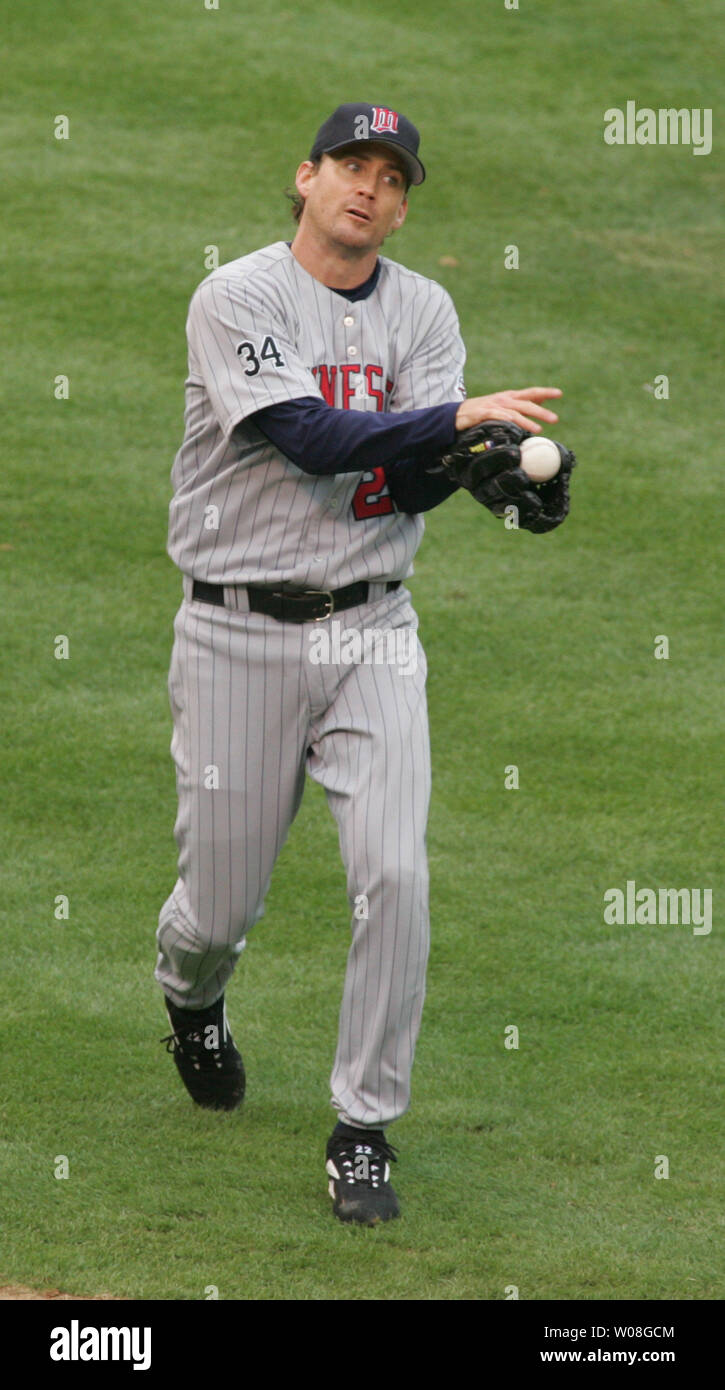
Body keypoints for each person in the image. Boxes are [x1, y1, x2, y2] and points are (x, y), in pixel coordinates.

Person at [156, 102, 563, 1225]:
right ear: (305, 177)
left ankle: (363, 1128)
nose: (369, 188)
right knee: (216, 909)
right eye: (350, 165)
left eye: (391, 175)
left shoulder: (423, 309)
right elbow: (314, 440)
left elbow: (407, 472)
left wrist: (484, 473)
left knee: (394, 874)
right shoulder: (237, 297)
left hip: (372, 631)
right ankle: (192, 1002)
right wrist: (452, 421)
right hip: (234, 631)